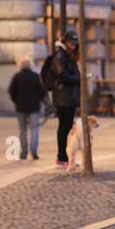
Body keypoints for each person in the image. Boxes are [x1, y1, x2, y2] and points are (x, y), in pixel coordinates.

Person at [43, 30, 82, 168]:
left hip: (68, 97)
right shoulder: (60, 55)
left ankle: (66, 158)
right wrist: (78, 79)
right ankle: (61, 157)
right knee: (64, 128)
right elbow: (61, 75)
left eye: (76, 44)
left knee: (66, 127)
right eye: (72, 43)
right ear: (65, 42)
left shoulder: (67, 55)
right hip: (63, 98)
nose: (74, 46)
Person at [7, 56, 45, 160]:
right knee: (34, 129)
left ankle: (24, 153)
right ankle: (34, 153)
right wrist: (37, 99)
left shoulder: (17, 76)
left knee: (22, 130)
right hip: (34, 107)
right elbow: (42, 91)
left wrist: (16, 101)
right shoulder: (35, 76)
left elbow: (11, 91)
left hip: (20, 107)